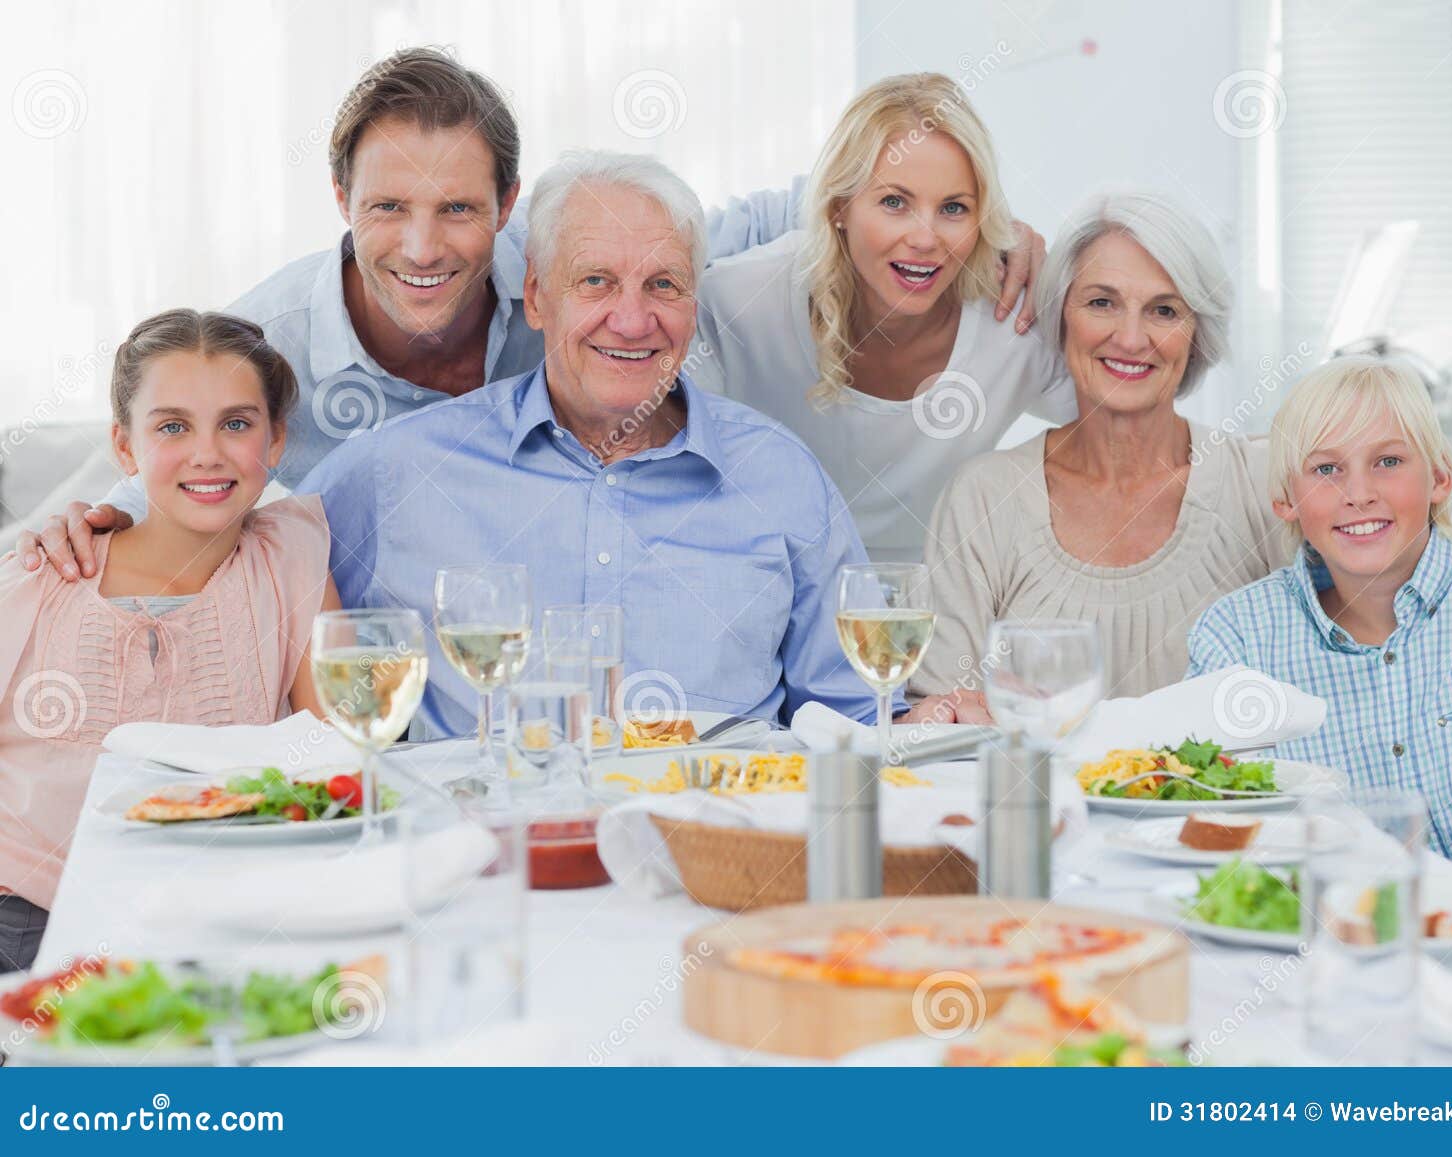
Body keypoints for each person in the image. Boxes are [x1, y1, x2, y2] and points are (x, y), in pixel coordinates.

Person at [26, 50, 1028, 577]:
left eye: (457, 209)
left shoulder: (573, 268)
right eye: (388, 210)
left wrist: (973, 228)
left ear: (506, 209)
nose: (423, 249)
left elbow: (769, 211)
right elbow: (168, 454)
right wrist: (93, 515)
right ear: (340, 203)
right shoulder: (272, 336)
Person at [912, 190, 1452, 712]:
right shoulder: (985, 497)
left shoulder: (1266, 479)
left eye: (1165, 310)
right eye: (1101, 302)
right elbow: (940, 719)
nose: (1132, 336)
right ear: (1062, 318)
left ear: (1197, 335)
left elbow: (1408, 568)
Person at [299, 151, 883, 737]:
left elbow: (858, 724)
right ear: (536, 297)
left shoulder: (779, 476)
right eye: (595, 282)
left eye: (663, 284)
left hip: (716, 823)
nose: (631, 320)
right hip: (485, 824)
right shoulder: (401, 471)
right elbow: (250, 580)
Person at [1188, 357, 1452, 935]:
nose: (1358, 493)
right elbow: (1228, 835)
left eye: (1388, 461)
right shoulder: (1235, 639)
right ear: (1286, 500)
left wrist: (1436, 902)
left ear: (1439, 479)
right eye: (1326, 468)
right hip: (1342, 948)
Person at [0, 310, 339, 970]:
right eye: (173, 426)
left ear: (274, 443)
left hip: (218, 914)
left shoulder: (293, 553)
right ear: (125, 448)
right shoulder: (42, 573)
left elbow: (333, 755)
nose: (207, 451)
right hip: (34, 917)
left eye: (237, 423)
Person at [691, 73, 1067, 561]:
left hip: (931, 617)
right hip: (770, 605)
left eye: (954, 207)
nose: (925, 238)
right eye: (895, 202)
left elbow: (1123, 424)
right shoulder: (739, 300)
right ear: (839, 206)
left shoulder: (1014, 323)